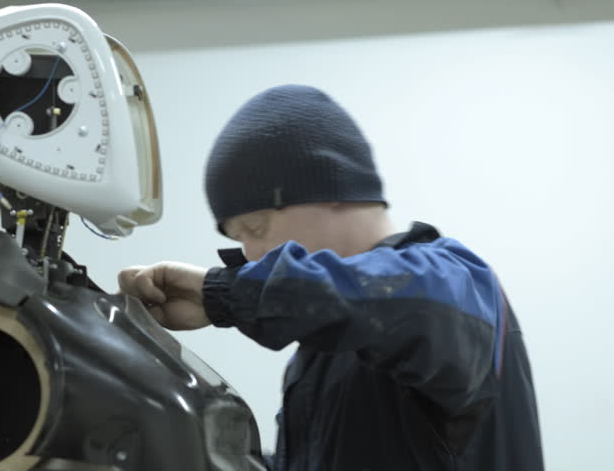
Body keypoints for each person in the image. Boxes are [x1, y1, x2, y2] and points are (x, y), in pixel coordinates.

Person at [117, 84, 544, 470]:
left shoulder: (456, 283)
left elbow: (377, 299)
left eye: (257, 227)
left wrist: (219, 292)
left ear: (330, 184)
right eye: (237, 238)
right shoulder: (319, 357)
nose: (249, 254)